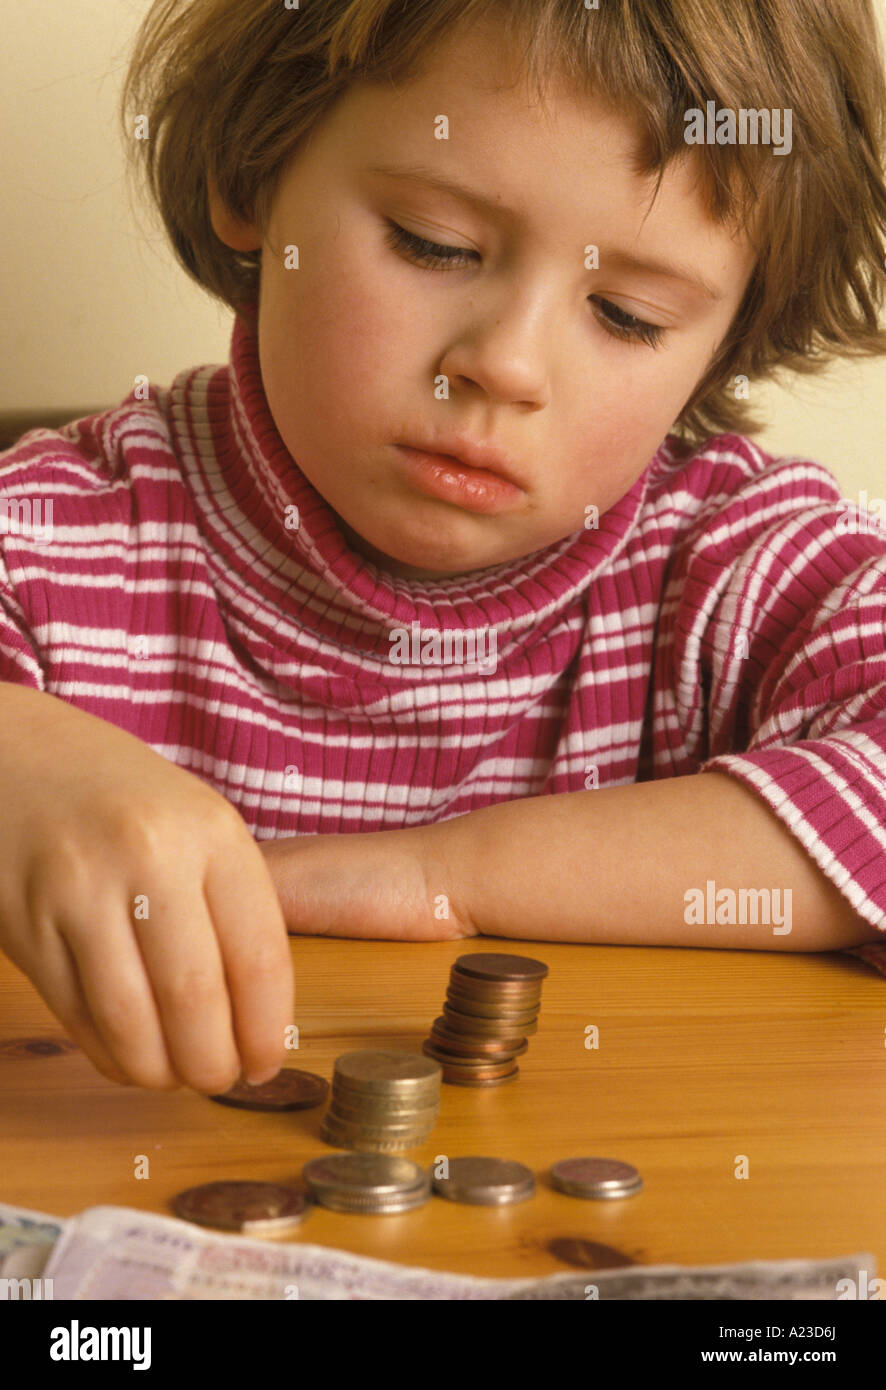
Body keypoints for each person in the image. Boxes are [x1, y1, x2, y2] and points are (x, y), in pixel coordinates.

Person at [1, 0, 885, 1095]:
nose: (506, 366)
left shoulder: (724, 569)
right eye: (435, 244)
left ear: (723, 342)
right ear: (252, 177)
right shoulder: (52, 544)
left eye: (628, 315)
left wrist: (446, 875)